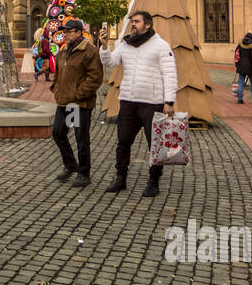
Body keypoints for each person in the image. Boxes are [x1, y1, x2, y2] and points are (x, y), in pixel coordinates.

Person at [99, 11, 178, 197]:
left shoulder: (161, 45)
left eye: (136, 21)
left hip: (153, 103)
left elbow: (170, 75)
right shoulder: (125, 44)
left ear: (148, 25)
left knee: (155, 144)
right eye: (131, 21)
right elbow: (110, 62)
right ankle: (120, 178)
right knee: (123, 142)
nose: (132, 24)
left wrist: (169, 102)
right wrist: (104, 46)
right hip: (128, 101)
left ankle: (153, 181)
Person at [50, 18, 103, 188]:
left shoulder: (90, 51)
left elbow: (95, 78)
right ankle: (70, 165)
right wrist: (55, 88)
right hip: (64, 102)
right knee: (58, 132)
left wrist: (78, 94)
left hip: (79, 104)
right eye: (64, 31)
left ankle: (83, 173)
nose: (65, 34)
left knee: (81, 138)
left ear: (79, 32)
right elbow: (58, 72)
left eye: (68, 31)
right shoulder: (64, 50)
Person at [233, 32, 252, 104]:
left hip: (241, 66)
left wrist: (237, 65)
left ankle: (240, 99)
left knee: (241, 82)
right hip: (250, 68)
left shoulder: (240, 45)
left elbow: (236, 55)